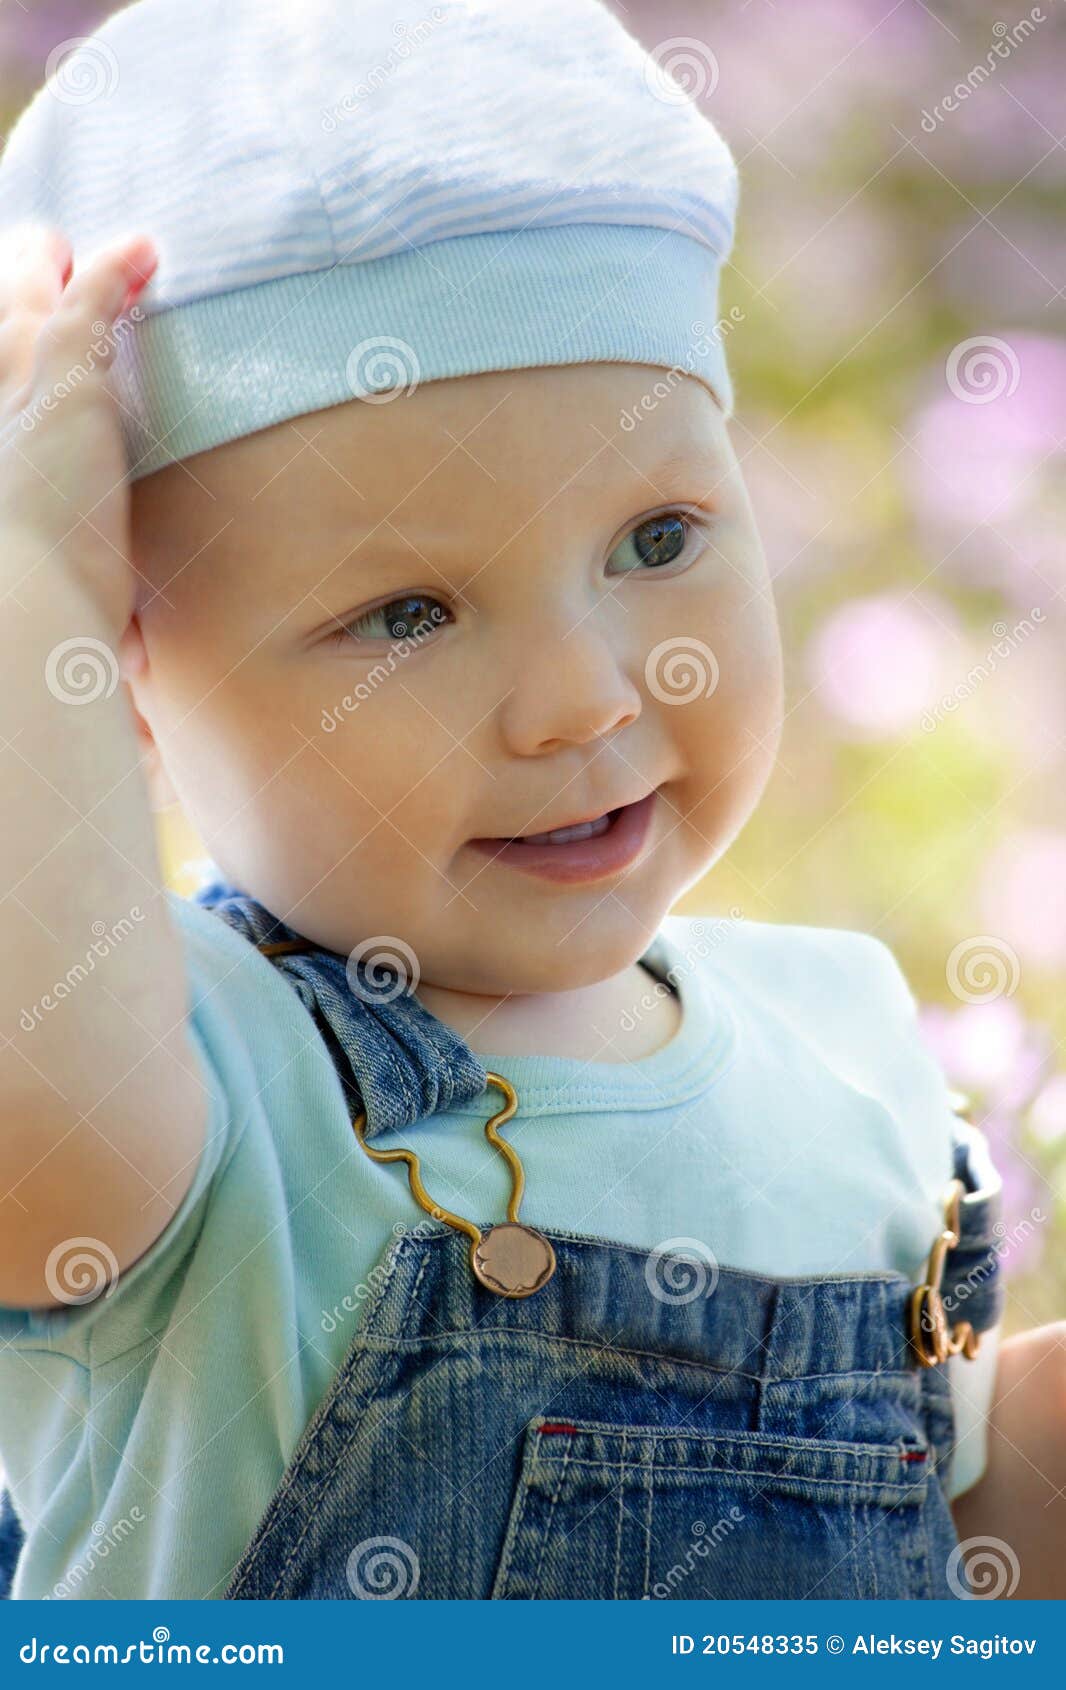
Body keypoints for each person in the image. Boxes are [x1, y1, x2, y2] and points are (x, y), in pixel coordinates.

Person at [0, 0, 1060, 1602]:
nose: (586, 694)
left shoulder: (840, 1044)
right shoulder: (193, 1088)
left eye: (658, 538)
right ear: (131, 688)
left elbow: (944, 1559)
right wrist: (28, 585)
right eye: (407, 614)